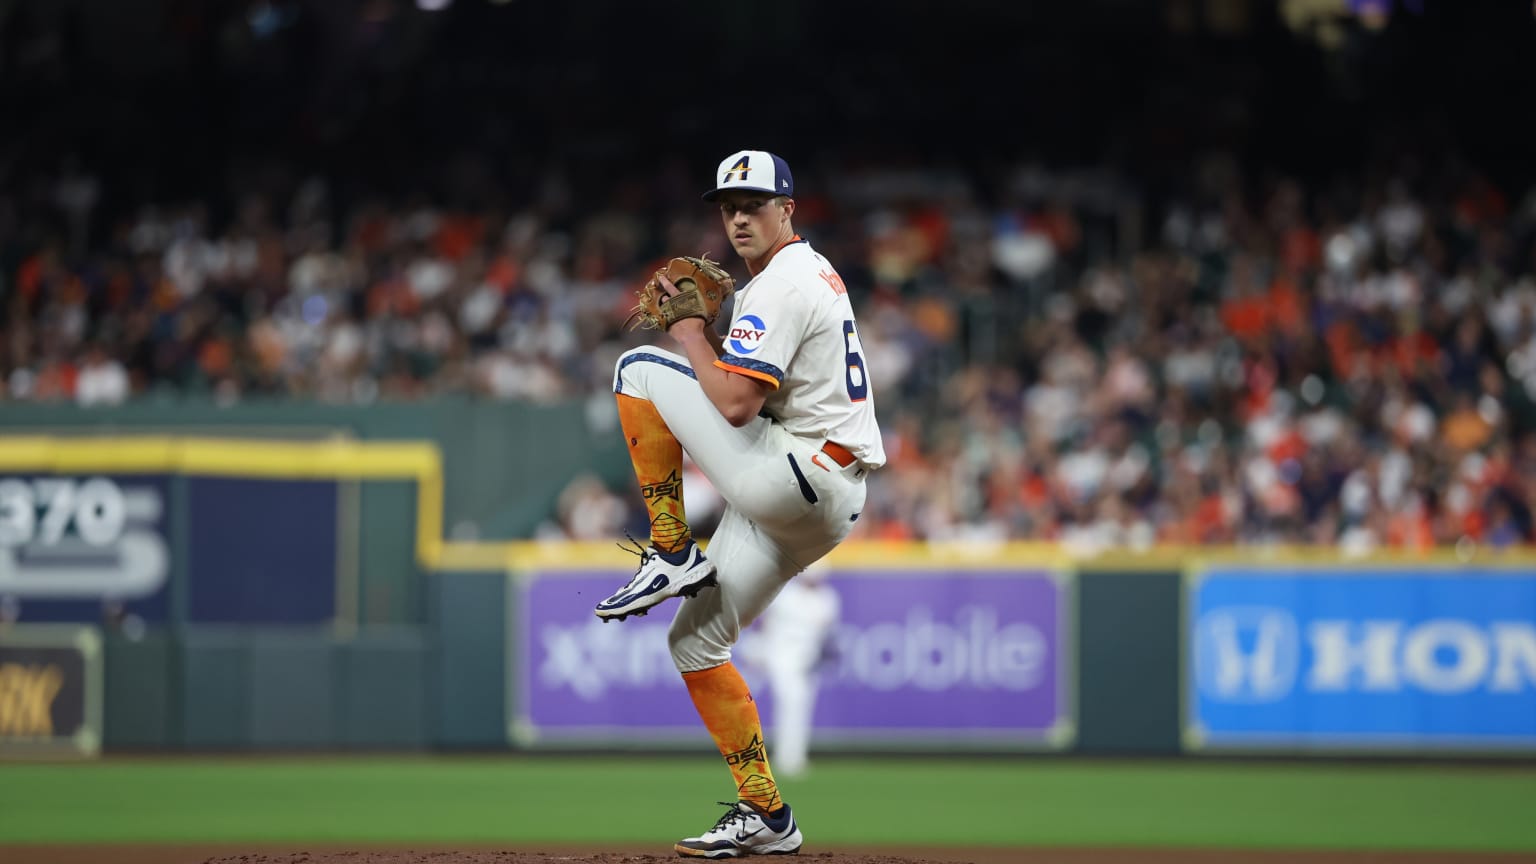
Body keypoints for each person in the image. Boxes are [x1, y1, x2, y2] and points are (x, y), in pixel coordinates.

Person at [595, 149, 884, 858]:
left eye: (754, 203)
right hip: (815, 496)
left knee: (637, 366)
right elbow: (747, 396)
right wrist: (716, 341)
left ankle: (670, 548)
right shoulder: (801, 276)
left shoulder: (781, 283)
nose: (739, 218)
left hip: (797, 474)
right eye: (728, 207)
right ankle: (768, 815)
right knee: (693, 642)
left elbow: (730, 404)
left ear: (788, 208)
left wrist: (691, 332)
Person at [748, 560, 841, 780]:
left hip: (808, 659)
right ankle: (786, 757)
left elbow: (827, 633)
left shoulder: (827, 598)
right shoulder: (785, 594)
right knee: (789, 703)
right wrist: (758, 650)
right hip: (782, 655)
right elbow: (766, 624)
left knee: (802, 706)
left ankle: (795, 756)